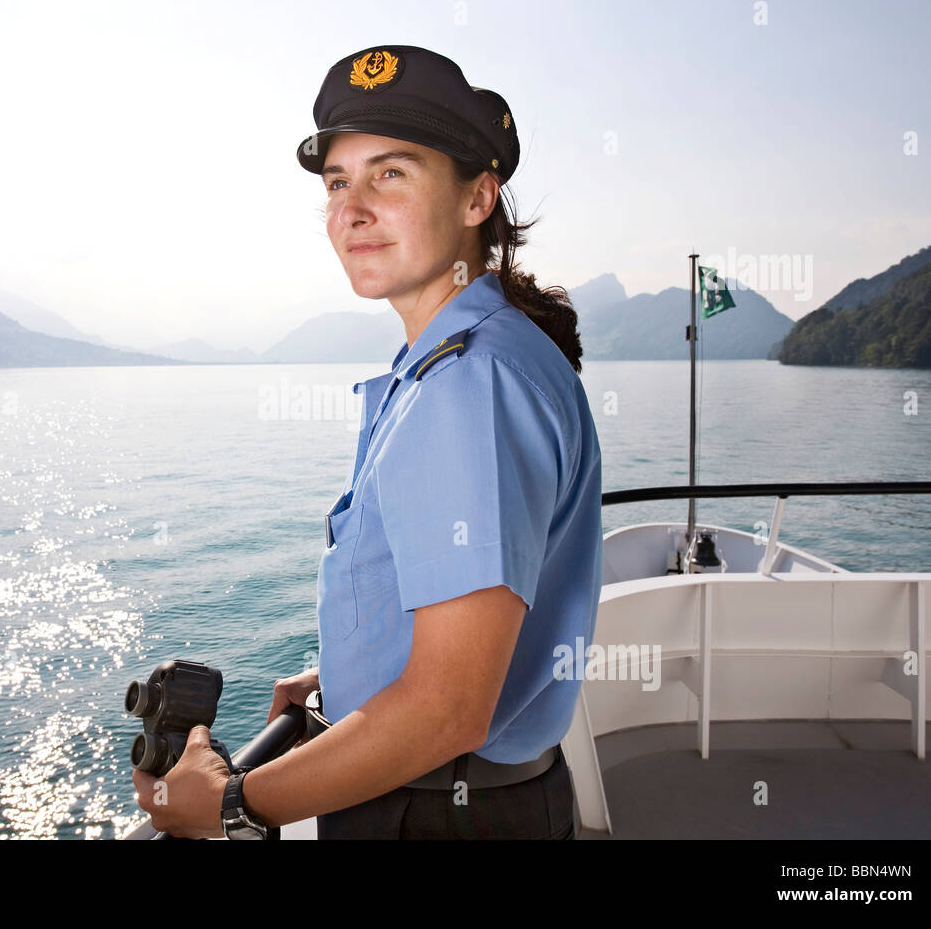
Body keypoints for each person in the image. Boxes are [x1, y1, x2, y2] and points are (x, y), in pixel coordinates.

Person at [132, 44, 603, 840]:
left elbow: (448, 709)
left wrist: (233, 804)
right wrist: (348, 678)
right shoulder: (479, 353)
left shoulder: (468, 384)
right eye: (338, 183)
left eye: (390, 174)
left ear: (477, 197)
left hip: (439, 814)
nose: (351, 210)